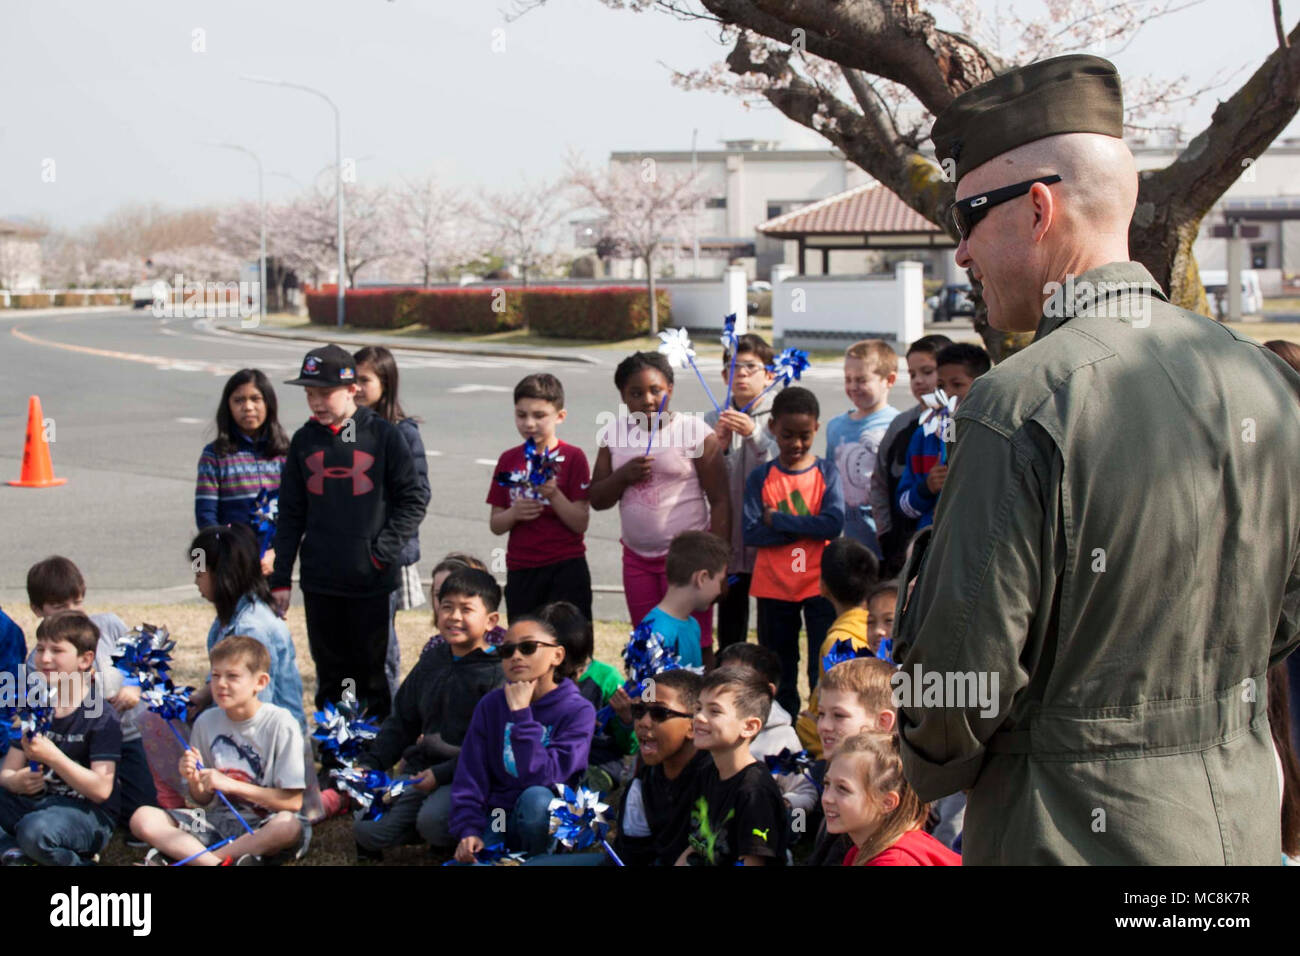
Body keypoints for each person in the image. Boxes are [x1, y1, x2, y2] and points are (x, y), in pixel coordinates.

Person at [896, 52, 1300, 864]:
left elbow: (956, 689)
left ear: (1038, 207)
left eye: (966, 220)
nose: (963, 255)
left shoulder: (1020, 401)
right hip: (1236, 823)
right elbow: (1283, 615)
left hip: (1069, 830)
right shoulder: (1264, 380)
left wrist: (931, 756)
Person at [269, 345, 430, 722]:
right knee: (331, 675)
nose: (316, 402)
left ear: (352, 389)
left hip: (370, 581)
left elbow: (414, 497)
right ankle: (335, 754)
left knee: (370, 677)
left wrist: (381, 551)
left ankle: (370, 761)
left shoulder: (384, 436)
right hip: (321, 581)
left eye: (324, 393)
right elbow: (291, 513)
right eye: (309, 393)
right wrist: (281, 578)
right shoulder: (304, 440)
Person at [351, 568, 505, 859]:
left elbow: (489, 747)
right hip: (419, 772)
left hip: (467, 777)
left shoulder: (496, 673)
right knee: (365, 827)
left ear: (491, 621)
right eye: (447, 607)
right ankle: (418, 826)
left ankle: (446, 832)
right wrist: (370, 764)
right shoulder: (433, 661)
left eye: (466, 609)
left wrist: (440, 774)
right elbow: (402, 721)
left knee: (433, 821)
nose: (454, 616)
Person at [589, 351, 730, 653]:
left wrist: (719, 566)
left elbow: (719, 501)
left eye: (656, 390)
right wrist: (622, 476)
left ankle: (697, 698)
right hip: (637, 559)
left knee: (695, 642)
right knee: (648, 644)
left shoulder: (694, 433)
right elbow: (598, 498)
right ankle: (651, 699)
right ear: (623, 397)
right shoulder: (614, 435)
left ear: (671, 389)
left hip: (689, 564)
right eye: (635, 393)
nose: (648, 400)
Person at [130, 636, 309, 866]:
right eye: (215, 675)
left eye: (232, 676)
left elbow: (292, 803)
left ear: (260, 682)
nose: (221, 683)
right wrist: (195, 780)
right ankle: (216, 863)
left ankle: (197, 859)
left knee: (288, 826)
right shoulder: (206, 722)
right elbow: (202, 800)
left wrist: (230, 784)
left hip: (265, 824)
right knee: (143, 817)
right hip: (215, 824)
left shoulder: (282, 724)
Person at [450, 615, 595, 862]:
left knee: (536, 799)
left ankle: (539, 858)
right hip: (499, 814)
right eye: (507, 650)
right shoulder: (491, 705)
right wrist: (470, 830)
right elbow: (472, 773)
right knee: (484, 857)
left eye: (528, 648)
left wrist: (521, 716)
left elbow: (545, 777)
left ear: (557, 656)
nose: (516, 656)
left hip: (546, 816)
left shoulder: (578, 710)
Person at [25, 556, 155, 825]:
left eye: (78, 601)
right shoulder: (39, 660)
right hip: (73, 746)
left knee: (140, 814)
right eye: (60, 606)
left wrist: (133, 686)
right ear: (37, 609)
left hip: (124, 738)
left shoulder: (108, 626)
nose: (74, 611)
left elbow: (144, 661)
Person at [743, 386, 844, 717]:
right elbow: (752, 532)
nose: (796, 444)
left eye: (804, 435)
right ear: (772, 427)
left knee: (822, 662)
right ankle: (782, 727)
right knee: (778, 664)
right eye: (787, 435)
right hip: (774, 587)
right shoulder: (761, 477)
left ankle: (818, 723)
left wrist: (779, 521)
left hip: (817, 585)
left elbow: (832, 524)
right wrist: (806, 527)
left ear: (817, 427)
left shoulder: (826, 472)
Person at [0, 612, 119, 866]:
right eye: (40, 648)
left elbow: (101, 790)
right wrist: (16, 781)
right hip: (34, 803)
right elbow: (7, 772)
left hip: (84, 813)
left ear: (85, 659)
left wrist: (52, 756)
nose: (45, 658)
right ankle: (15, 852)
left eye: (57, 651)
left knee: (36, 831)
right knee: (28, 825)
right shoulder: (35, 705)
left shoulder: (100, 716)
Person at [353, 346, 432, 699]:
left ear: (386, 382)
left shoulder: (403, 431)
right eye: (350, 380)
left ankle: (386, 714)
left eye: (363, 380)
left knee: (380, 641)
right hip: (348, 553)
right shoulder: (344, 428)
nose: (355, 387)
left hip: (383, 555)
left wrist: (384, 546)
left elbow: (417, 495)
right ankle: (352, 721)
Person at [487, 373, 592, 623]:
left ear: (560, 416)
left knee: (570, 641)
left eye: (539, 415)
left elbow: (580, 522)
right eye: (521, 415)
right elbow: (495, 524)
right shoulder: (508, 460)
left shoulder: (573, 457)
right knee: (525, 641)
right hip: (522, 568)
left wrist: (554, 494)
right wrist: (514, 514)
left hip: (566, 566)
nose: (529, 423)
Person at [704, 332, 778, 650]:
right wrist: (717, 449)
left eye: (751, 367)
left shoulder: (778, 417)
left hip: (766, 540)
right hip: (729, 539)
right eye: (734, 368)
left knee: (770, 623)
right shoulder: (712, 418)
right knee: (731, 619)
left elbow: (784, 468)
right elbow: (704, 480)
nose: (742, 374)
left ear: (770, 375)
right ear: (724, 376)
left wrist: (755, 435)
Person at [189, 525, 305, 726]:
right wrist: (204, 695)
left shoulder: (251, 629)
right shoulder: (227, 620)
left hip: (267, 741)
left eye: (200, 574)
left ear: (222, 575)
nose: (195, 582)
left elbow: (258, 706)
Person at [677, 667, 787, 866]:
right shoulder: (706, 772)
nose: (700, 717)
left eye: (715, 711)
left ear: (749, 726)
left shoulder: (755, 792)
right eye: (699, 708)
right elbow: (695, 846)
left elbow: (753, 862)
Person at [804, 657, 900, 866]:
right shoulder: (829, 773)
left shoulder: (886, 796)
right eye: (821, 714)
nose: (824, 726)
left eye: (839, 715)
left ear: (882, 722)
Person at [870, 335, 953, 575]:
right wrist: (887, 535)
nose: (918, 381)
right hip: (903, 549)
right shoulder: (901, 425)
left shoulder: (963, 423)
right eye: (912, 374)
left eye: (927, 372)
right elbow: (879, 483)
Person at [195, 369, 289, 574]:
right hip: (231, 562)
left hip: (273, 563)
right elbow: (205, 515)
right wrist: (230, 551)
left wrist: (275, 552)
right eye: (239, 400)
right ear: (228, 406)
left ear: (268, 404)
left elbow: (294, 513)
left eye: (256, 399)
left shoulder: (285, 453)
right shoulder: (214, 455)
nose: (248, 407)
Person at [614, 669, 710, 866]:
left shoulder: (717, 781)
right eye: (639, 711)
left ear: (693, 726)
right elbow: (630, 854)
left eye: (659, 713)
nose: (644, 722)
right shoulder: (643, 784)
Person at [538, 601, 635, 793]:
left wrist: (625, 718)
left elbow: (629, 748)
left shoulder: (606, 678)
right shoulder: (539, 675)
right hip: (550, 758)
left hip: (597, 762)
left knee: (576, 795)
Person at [715, 643, 818, 821]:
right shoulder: (705, 726)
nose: (727, 690)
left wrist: (785, 810)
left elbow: (804, 791)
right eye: (720, 680)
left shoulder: (782, 737)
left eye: (739, 683)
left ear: (768, 692)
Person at [822, 732, 960, 866]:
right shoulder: (862, 850)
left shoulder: (894, 861)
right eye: (827, 784)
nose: (827, 798)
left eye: (843, 789)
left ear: (887, 802)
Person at [795, 537, 878, 757]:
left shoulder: (840, 642)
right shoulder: (876, 628)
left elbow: (846, 702)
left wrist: (817, 721)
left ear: (823, 587)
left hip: (834, 753)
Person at [895, 343, 990, 532]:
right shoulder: (923, 437)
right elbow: (903, 506)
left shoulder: (991, 439)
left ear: (983, 385)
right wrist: (926, 488)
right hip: (932, 543)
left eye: (957, 384)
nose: (947, 393)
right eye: (941, 386)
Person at [825, 339, 900, 558]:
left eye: (862, 380)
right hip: (849, 543)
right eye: (848, 379)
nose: (853, 387)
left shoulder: (896, 425)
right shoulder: (835, 426)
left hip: (885, 544)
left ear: (889, 380)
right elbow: (831, 483)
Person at [639, 530, 730, 670]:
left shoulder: (693, 625)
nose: (719, 590)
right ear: (702, 578)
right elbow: (646, 689)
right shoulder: (657, 632)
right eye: (720, 581)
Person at [420, 553, 506, 657]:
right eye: (439, 595)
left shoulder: (503, 646)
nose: (454, 615)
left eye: (466, 608)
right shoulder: (433, 648)